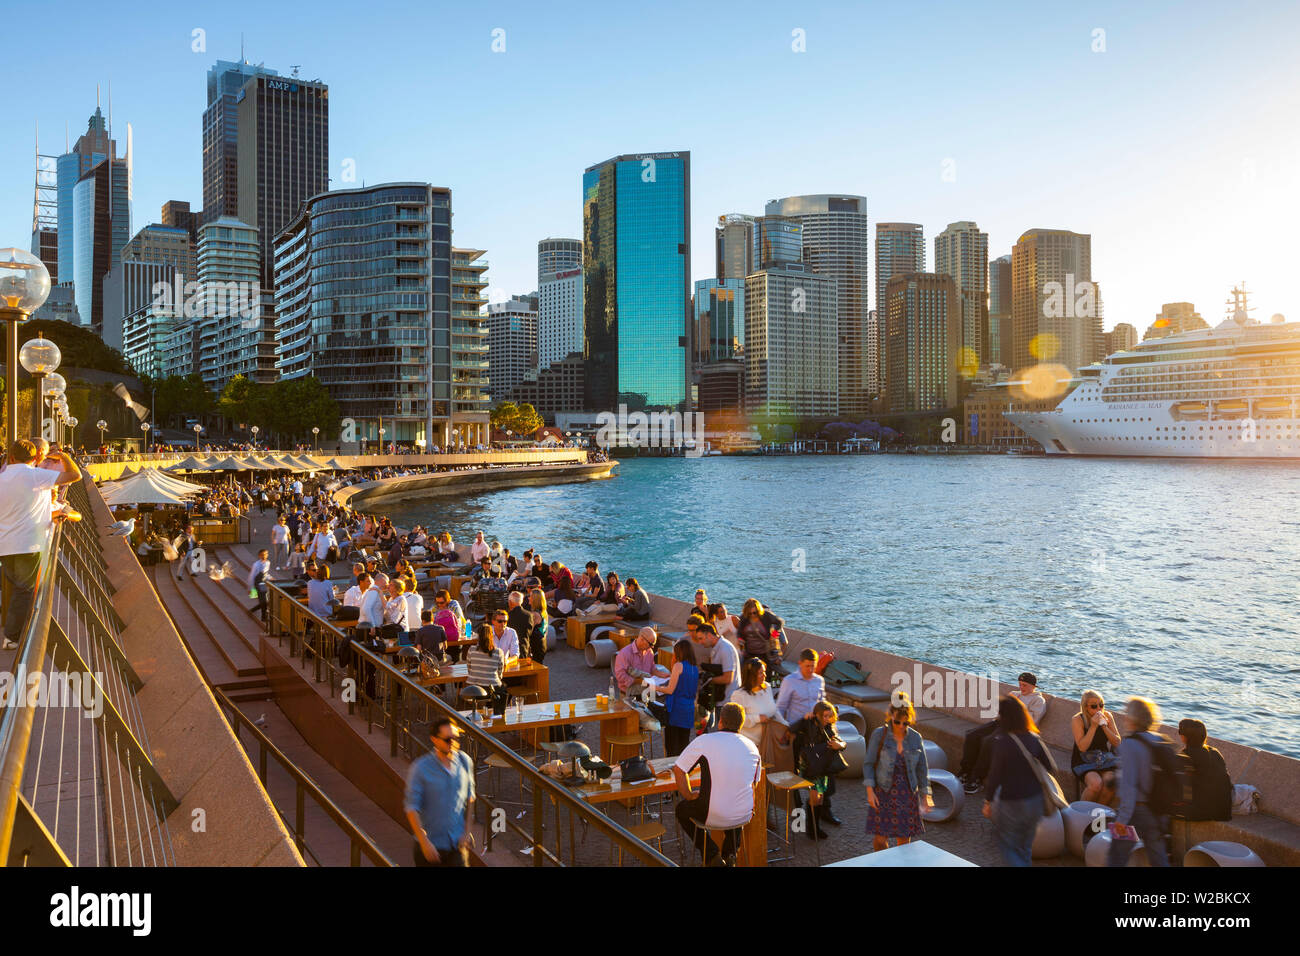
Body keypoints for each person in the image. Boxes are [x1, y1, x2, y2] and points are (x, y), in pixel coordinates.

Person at [0, 440, 81, 649]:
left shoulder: (2, 476)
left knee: (18, 587)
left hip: (5, 545)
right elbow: (74, 476)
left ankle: (16, 633)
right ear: (36, 458)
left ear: (11, 457)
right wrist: (63, 457)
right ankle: (12, 638)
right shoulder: (35, 475)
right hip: (29, 544)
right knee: (25, 590)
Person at [672, 702, 762, 867]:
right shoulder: (753, 748)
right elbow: (753, 787)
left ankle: (711, 854)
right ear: (740, 725)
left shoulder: (705, 741)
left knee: (681, 810)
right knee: (734, 806)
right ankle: (730, 855)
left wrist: (689, 794)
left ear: (720, 722)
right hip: (745, 814)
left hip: (713, 813)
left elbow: (679, 769)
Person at [982, 695, 1053, 866]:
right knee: (1025, 847)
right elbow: (1050, 766)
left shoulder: (1003, 741)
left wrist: (988, 801)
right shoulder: (1033, 737)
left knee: (1009, 846)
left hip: (1012, 800)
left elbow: (995, 775)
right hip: (1035, 800)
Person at [1109, 697, 1174, 867]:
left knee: (1117, 856)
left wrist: (1121, 821)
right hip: (1157, 812)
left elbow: (1129, 786)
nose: (1124, 717)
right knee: (1159, 858)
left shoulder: (1129, 745)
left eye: (1126, 713)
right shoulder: (1160, 740)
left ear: (1132, 718)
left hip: (1134, 814)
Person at [864, 692, 933, 851]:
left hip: (907, 794)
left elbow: (922, 768)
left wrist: (925, 795)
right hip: (883, 792)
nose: (901, 726)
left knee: (904, 841)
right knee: (880, 840)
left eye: (906, 723)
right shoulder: (878, 734)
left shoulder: (916, 738)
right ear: (890, 717)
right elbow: (868, 764)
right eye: (897, 722)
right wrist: (869, 792)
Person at [960, 671, 1047, 794]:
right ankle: (965, 772)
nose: (1021, 688)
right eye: (1020, 684)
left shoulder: (1038, 700)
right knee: (971, 735)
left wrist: (1017, 707)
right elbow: (998, 712)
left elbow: (1032, 721)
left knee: (988, 742)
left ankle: (976, 778)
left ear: (1033, 686)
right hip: (999, 723)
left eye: (1025, 685)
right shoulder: (1014, 694)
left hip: (1016, 729)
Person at [405, 716, 474, 867]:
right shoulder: (420, 768)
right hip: (430, 848)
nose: (454, 744)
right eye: (448, 740)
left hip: (457, 846)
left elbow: (470, 798)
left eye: (456, 738)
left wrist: (467, 831)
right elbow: (411, 809)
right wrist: (424, 843)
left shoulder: (465, 762)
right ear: (434, 740)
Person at [789, 701, 848, 837]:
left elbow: (842, 742)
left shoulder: (830, 728)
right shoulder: (808, 724)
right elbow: (791, 729)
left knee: (820, 798)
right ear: (817, 715)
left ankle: (815, 828)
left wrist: (838, 745)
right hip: (811, 765)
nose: (827, 719)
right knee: (815, 797)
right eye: (824, 716)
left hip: (823, 766)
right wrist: (803, 718)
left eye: (829, 716)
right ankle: (812, 830)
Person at [1071, 689, 1122, 804]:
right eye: (1094, 706)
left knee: (1110, 783)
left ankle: (1097, 818)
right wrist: (1093, 726)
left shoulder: (1107, 716)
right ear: (1085, 708)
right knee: (1095, 784)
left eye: (1101, 705)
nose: (1099, 709)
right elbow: (1082, 747)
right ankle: (1081, 816)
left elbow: (1117, 742)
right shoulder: (1078, 720)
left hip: (1104, 758)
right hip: (1083, 759)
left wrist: (1104, 726)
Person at [1178, 718, 1232, 821]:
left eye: (1180, 732)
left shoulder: (1185, 755)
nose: (1179, 734)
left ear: (1185, 737)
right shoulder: (1215, 752)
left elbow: (1184, 787)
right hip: (1222, 811)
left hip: (1200, 812)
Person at [652, 639, 699, 757]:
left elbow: (670, 689)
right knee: (683, 741)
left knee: (671, 743)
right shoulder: (695, 667)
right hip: (688, 708)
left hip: (676, 707)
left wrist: (655, 687)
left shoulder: (679, 666)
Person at [728, 658, 784, 750]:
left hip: (768, 743)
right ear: (751, 676)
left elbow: (774, 710)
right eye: (760, 673)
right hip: (748, 746)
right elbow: (735, 721)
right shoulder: (739, 695)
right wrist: (757, 718)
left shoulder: (767, 687)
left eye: (764, 672)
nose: (765, 675)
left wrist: (785, 725)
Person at [696, 621, 740, 725]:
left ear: (709, 635)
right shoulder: (716, 648)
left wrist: (708, 680)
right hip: (721, 699)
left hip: (728, 701)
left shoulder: (725, 649)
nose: (700, 642)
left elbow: (728, 678)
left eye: (701, 638)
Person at [775, 648, 826, 725]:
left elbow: (822, 704)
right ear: (800, 663)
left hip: (815, 727)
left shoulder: (819, 680)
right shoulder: (789, 681)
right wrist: (783, 728)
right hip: (796, 727)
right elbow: (780, 707)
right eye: (807, 666)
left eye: (813, 666)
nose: (810, 670)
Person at [614, 626, 664, 693]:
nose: (652, 647)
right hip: (629, 694)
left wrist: (664, 675)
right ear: (642, 639)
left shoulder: (649, 652)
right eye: (651, 644)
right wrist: (639, 681)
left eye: (653, 644)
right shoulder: (625, 653)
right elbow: (620, 675)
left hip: (645, 692)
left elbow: (652, 669)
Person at [466, 625, 506, 696]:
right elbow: (500, 672)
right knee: (504, 688)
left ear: (479, 636)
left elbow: (469, 668)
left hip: (473, 687)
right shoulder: (498, 652)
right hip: (492, 687)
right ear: (491, 636)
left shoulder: (471, 650)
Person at [248, 548, 271, 623]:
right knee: (263, 600)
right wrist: (250, 587)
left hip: (263, 582)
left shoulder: (268, 563)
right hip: (258, 583)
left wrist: (270, 577)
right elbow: (252, 576)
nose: (264, 556)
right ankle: (263, 617)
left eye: (266, 554)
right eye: (262, 555)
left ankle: (253, 610)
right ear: (259, 556)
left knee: (264, 601)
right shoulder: (256, 564)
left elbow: (266, 573)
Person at [506, 591, 532, 656]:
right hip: (524, 647)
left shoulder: (508, 616)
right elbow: (530, 632)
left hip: (511, 650)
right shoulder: (529, 615)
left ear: (510, 602)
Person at [526, 588, 549, 664]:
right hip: (542, 643)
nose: (528, 598)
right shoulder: (543, 612)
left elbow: (528, 630)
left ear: (535, 599)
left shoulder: (534, 615)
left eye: (530, 596)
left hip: (536, 646)